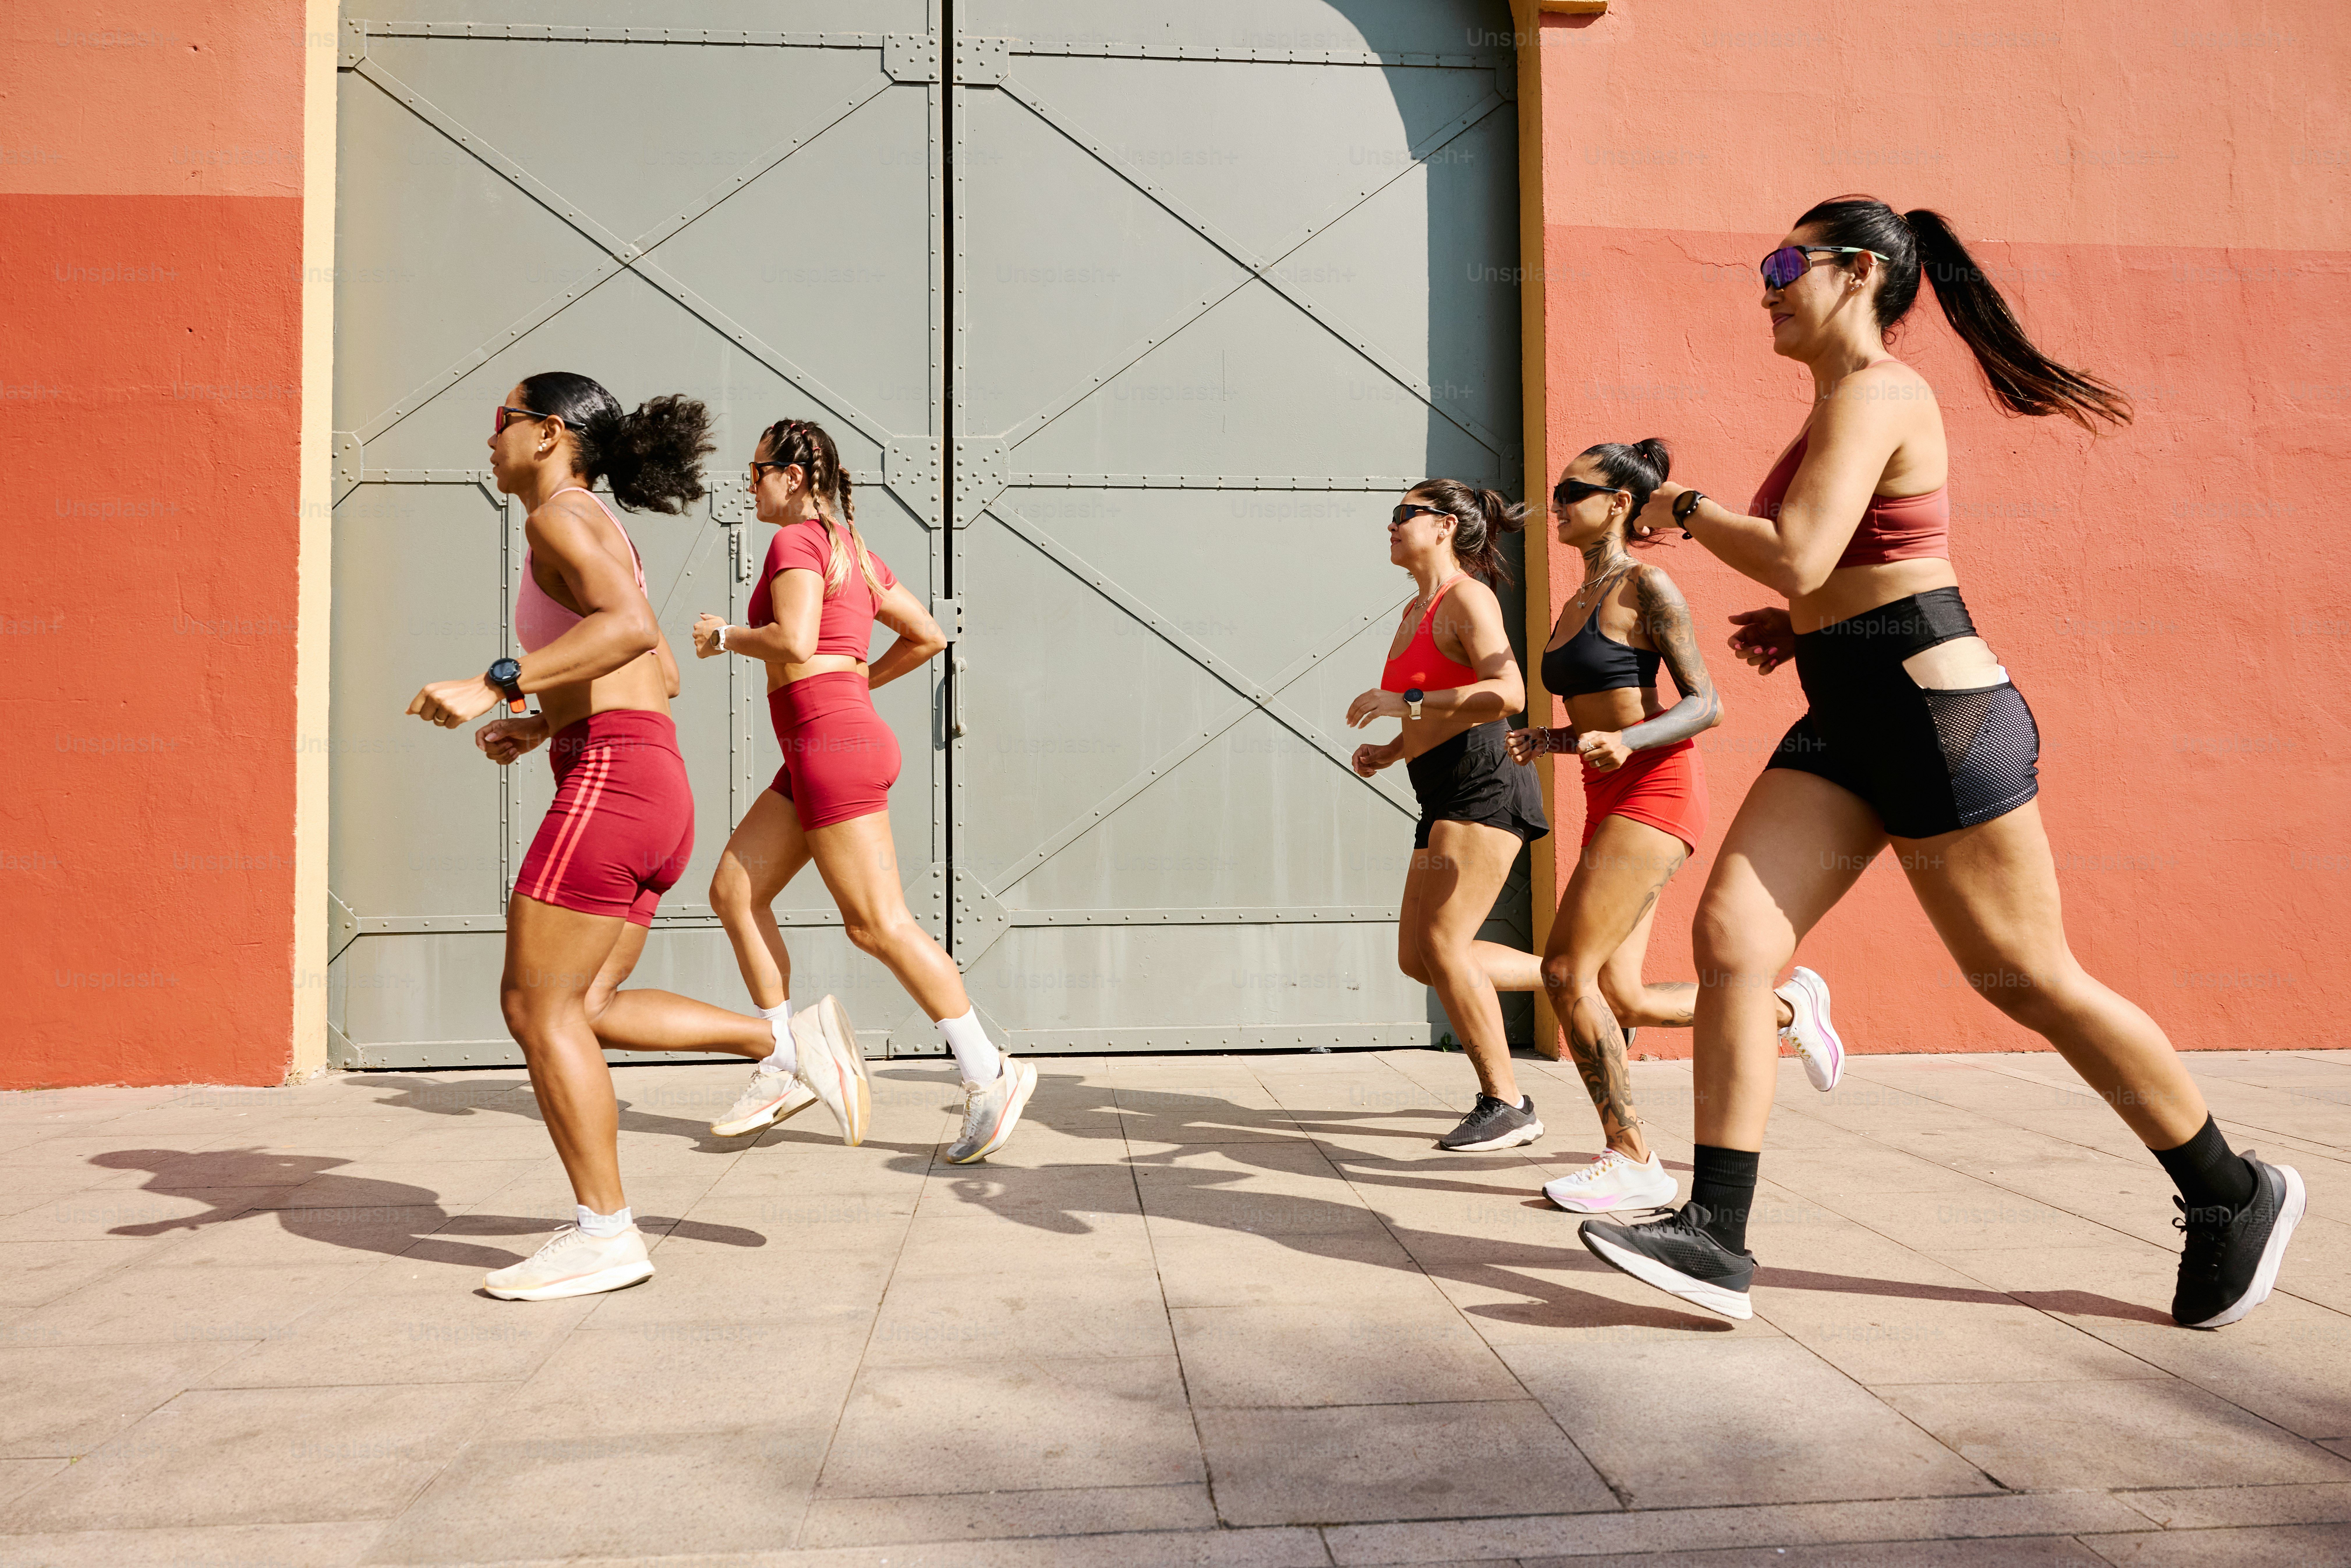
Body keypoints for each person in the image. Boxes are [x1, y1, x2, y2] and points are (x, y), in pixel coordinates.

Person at [1577, 197, 2303, 1328]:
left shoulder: (1881, 392)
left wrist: (1683, 506)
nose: (1764, 283)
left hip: (1934, 711)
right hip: (1848, 708)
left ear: (1859, 270)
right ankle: (1717, 1233)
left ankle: (2232, 1188)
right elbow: (1837, 567)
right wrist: (1805, 625)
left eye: (1784, 261)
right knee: (1734, 937)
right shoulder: (1831, 405)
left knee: (2028, 975)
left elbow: (1803, 546)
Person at [407, 373, 859, 1302]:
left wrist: (499, 683)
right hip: (647, 775)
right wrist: (543, 723)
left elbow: (631, 629)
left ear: (546, 434)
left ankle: (605, 1235)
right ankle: (785, 1042)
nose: (487, 440)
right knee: (592, 1002)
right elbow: (660, 668)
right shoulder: (601, 529)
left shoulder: (557, 520)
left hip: (613, 778)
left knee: (538, 1009)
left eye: (500, 423)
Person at [1503, 439, 1840, 1215]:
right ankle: (1789, 1009)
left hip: (1655, 789)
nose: (1556, 504)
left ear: (1619, 503)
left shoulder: (1646, 585)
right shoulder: (1575, 602)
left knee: (1563, 973)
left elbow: (1703, 703)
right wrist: (1549, 741)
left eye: (1571, 491)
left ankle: (1631, 1160)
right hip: (1606, 789)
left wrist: (1628, 743)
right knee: (1620, 991)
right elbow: (1604, 710)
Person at [694, 417, 1035, 1164]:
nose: (747, 485)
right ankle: (784, 1060)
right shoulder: (855, 552)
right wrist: (859, 683)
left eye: (755, 472)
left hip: (831, 747)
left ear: (793, 475)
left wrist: (725, 635)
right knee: (734, 889)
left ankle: (990, 1073)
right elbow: (928, 634)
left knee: (878, 924)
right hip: (827, 742)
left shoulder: (795, 543)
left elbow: (793, 639)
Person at [1347, 482, 1550, 1152]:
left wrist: (1398, 696)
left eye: (1405, 514)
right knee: (1419, 957)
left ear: (1445, 526)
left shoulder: (1469, 597)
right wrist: (1393, 746)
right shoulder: (1413, 610)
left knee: (1444, 945)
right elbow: (1431, 704)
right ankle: (1576, 978)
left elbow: (1507, 692)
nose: (1391, 524)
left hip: (1484, 780)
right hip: (1438, 791)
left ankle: (1507, 1101)